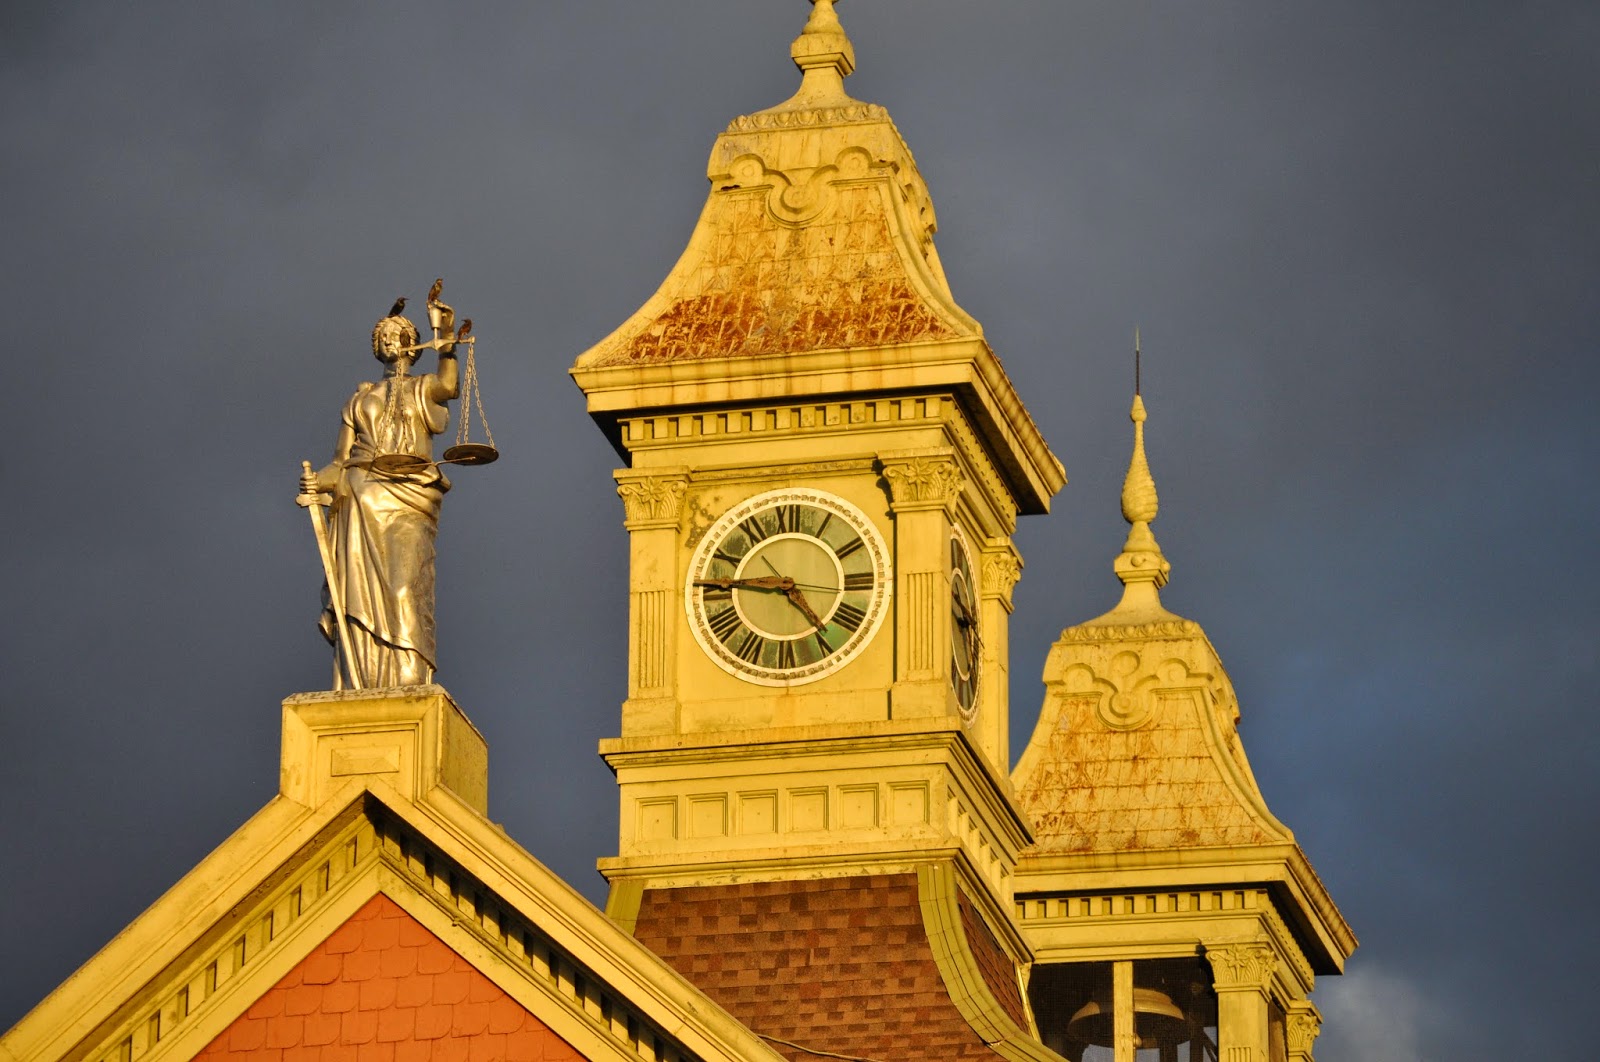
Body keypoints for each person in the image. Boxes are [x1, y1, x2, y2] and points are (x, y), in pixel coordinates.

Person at [299, 293, 460, 688]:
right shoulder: (359, 400)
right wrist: (315, 481)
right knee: (358, 591)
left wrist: (447, 341)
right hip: (359, 497)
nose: (389, 339)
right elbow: (339, 462)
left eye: (396, 333)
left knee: (406, 586)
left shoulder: (423, 387)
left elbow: (449, 384)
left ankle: (409, 671)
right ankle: (361, 676)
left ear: (411, 342)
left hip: (409, 496)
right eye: (383, 335)